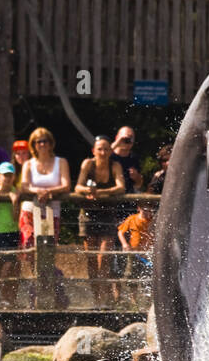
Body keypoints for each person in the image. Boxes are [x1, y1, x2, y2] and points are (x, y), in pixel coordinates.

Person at [73, 135, 126, 307]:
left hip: (107, 213)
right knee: (91, 259)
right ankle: (97, 299)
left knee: (104, 257)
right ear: (93, 151)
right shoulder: (88, 164)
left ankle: (105, 297)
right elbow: (78, 187)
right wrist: (88, 190)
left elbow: (121, 186)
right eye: (99, 149)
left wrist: (102, 193)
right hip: (88, 214)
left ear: (110, 151)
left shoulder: (115, 165)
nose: (102, 152)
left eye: (105, 149)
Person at [21, 127, 71, 242]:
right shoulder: (28, 164)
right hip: (30, 210)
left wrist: (48, 191)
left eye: (45, 141)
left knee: (49, 246)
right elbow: (24, 186)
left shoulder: (61, 162)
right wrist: (38, 191)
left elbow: (66, 185)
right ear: (33, 145)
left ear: (50, 143)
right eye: (38, 141)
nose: (42, 144)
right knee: (28, 248)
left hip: (52, 210)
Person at [0, 161, 21, 307]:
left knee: (15, 265)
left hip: (14, 231)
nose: (7, 178)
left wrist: (14, 203)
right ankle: (3, 296)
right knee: (5, 265)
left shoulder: (16, 191)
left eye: (9, 175)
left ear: (13, 177)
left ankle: (12, 298)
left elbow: (16, 217)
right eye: (4, 175)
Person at [117, 201, 156, 283]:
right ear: (139, 208)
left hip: (148, 253)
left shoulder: (153, 220)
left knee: (148, 276)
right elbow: (120, 232)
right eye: (144, 210)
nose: (147, 212)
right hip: (134, 252)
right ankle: (133, 296)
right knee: (132, 275)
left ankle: (147, 295)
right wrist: (124, 244)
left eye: (149, 210)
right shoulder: (132, 218)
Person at [111, 126, 143, 192]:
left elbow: (139, 185)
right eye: (125, 137)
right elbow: (100, 157)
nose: (128, 140)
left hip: (127, 198)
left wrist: (136, 177)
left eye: (131, 138)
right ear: (117, 138)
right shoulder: (109, 155)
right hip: (108, 196)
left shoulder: (134, 158)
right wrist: (117, 143)